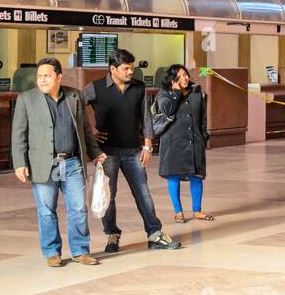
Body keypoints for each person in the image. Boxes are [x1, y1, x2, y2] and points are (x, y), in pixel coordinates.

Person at [83, 48, 180, 253]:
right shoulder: (95, 88)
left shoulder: (139, 88)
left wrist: (147, 144)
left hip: (132, 151)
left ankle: (154, 234)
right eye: (126, 68)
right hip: (106, 152)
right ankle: (112, 234)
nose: (130, 72)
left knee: (143, 192)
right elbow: (76, 107)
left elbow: (146, 117)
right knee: (109, 196)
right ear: (113, 69)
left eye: (131, 68)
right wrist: (90, 131)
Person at [11, 57, 106, 267]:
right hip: (43, 164)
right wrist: (20, 162)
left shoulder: (75, 96)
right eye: (39, 76)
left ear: (59, 77)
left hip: (72, 162)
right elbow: (19, 135)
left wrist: (95, 152)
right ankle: (52, 252)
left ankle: (80, 250)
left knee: (79, 208)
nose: (42, 80)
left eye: (47, 75)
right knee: (46, 211)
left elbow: (84, 130)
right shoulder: (27, 99)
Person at [153, 64, 215, 222]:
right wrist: (175, 93)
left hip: (194, 141)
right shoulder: (164, 94)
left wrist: (203, 136)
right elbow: (167, 111)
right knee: (173, 176)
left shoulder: (196, 93)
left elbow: (203, 118)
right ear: (172, 79)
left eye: (186, 74)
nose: (185, 78)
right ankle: (178, 212)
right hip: (173, 143)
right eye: (180, 76)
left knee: (197, 176)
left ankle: (197, 210)